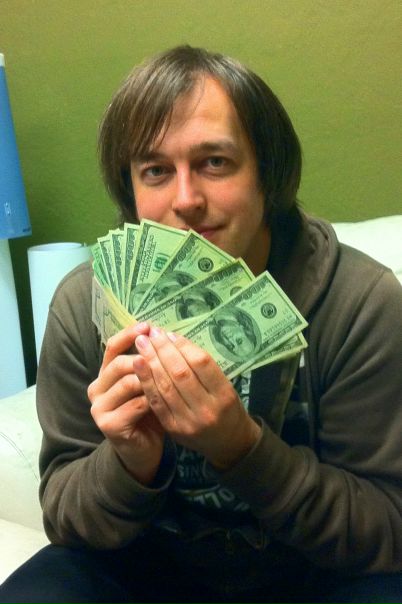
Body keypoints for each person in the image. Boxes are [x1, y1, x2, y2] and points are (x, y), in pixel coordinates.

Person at [1, 45, 401, 604]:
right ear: (130, 189)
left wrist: (241, 448)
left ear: (267, 174)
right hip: (143, 572)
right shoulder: (84, 303)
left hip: (311, 576)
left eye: (215, 162)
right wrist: (129, 462)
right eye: (156, 171)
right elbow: (67, 520)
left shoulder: (360, 302)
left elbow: (387, 533)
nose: (186, 200)